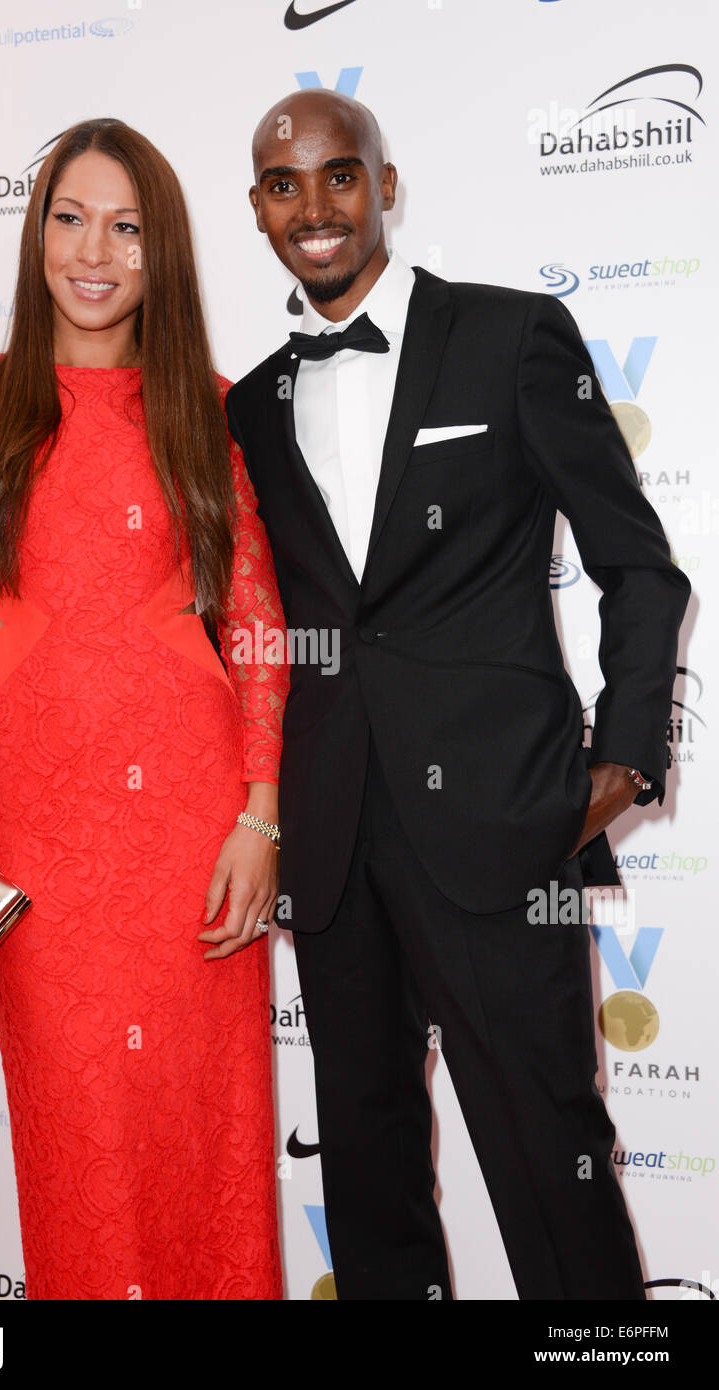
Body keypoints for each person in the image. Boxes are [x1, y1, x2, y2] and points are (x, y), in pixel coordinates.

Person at [225, 88, 691, 1301]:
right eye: (286, 185)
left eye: (341, 176)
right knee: (370, 1180)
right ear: (260, 210)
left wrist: (625, 757)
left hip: (498, 826)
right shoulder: (249, 410)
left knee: (553, 1164)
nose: (315, 206)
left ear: (386, 184)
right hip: (332, 852)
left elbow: (639, 565)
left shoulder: (510, 335)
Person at [0, 117, 288, 1301]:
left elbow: (259, 627)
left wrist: (258, 817)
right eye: (69, 218)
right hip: (35, 847)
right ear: (34, 234)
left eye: (125, 226)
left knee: (206, 1145)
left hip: (194, 835)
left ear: (161, 252)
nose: (93, 251)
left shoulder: (214, 409)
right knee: (76, 1154)